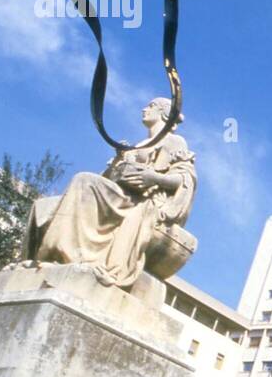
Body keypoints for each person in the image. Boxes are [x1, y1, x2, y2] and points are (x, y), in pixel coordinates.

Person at [20, 99, 196, 288]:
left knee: (83, 181)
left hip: (138, 199)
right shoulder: (140, 143)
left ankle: (68, 256)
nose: (144, 109)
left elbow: (185, 177)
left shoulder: (174, 141)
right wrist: (118, 160)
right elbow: (108, 178)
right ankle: (37, 259)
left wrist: (153, 177)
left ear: (163, 113)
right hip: (117, 194)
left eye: (151, 106)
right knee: (44, 206)